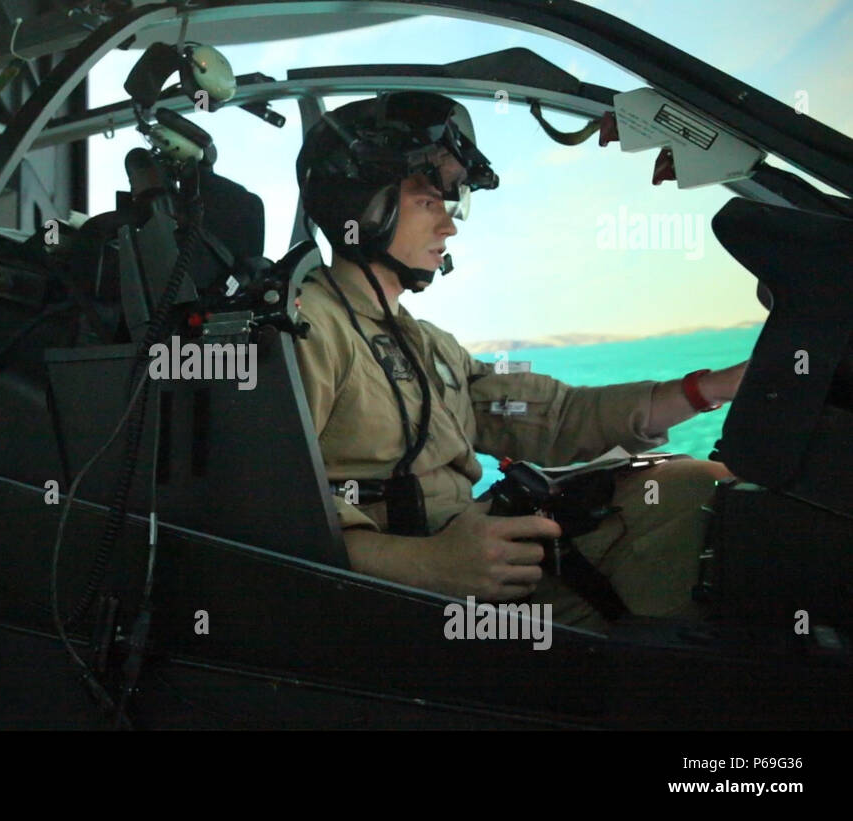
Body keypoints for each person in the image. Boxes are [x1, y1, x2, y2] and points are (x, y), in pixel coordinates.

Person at [293, 91, 749, 631]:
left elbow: (552, 417)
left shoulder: (430, 343)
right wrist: (430, 566)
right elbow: (268, 515)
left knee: (696, 485)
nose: (450, 226)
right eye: (428, 203)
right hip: (405, 602)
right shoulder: (307, 328)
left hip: (471, 558)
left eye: (450, 204)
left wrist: (711, 388)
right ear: (364, 207)